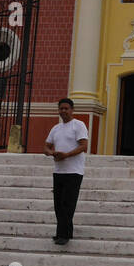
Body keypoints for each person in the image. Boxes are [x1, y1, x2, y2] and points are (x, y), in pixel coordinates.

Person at [45, 98, 88, 245]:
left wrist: (66, 155)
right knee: (58, 204)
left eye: (66, 108)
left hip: (74, 171)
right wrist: (51, 153)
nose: (63, 111)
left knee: (68, 203)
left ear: (72, 109)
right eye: (61, 108)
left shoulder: (78, 125)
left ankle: (64, 235)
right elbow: (46, 146)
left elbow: (83, 146)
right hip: (59, 171)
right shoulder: (55, 128)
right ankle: (62, 233)